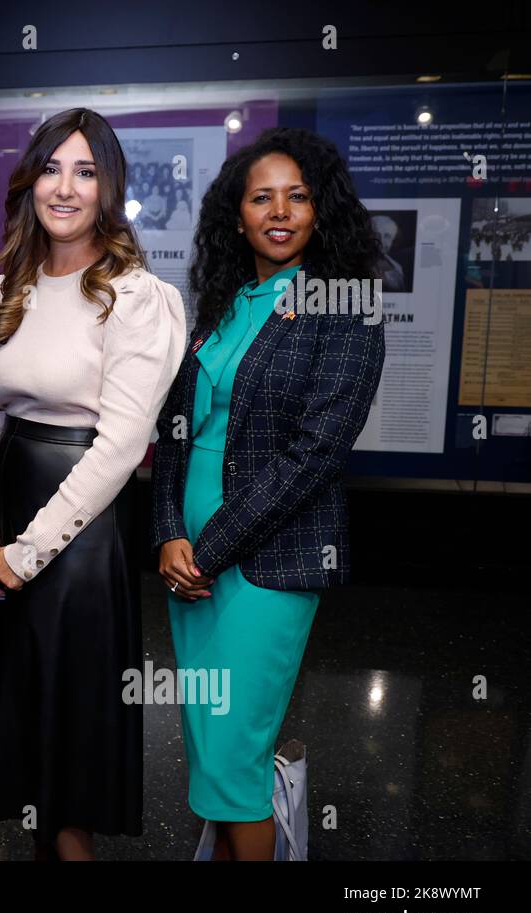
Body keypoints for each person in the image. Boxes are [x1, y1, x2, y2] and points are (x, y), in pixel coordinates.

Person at [0, 108, 186, 860]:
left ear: (109, 187)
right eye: (52, 167)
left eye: (85, 171)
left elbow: (119, 447)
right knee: (26, 755)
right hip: (10, 524)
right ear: (31, 178)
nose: (65, 187)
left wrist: (29, 550)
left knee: (69, 774)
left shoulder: (135, 295)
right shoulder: (6, 283)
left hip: (76, 545)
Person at [151, 127, 386, 860]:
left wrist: (209, 549)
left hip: (265, 563)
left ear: (323, 210)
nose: (279, 211)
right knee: (212, 755)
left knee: (233, 765)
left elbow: (316, 452)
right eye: (262, 197)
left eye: (298, 196)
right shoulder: (223, 303)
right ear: (238, 213)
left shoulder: (346, 303)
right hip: (185, 561)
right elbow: (177, 431)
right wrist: (167, 532)